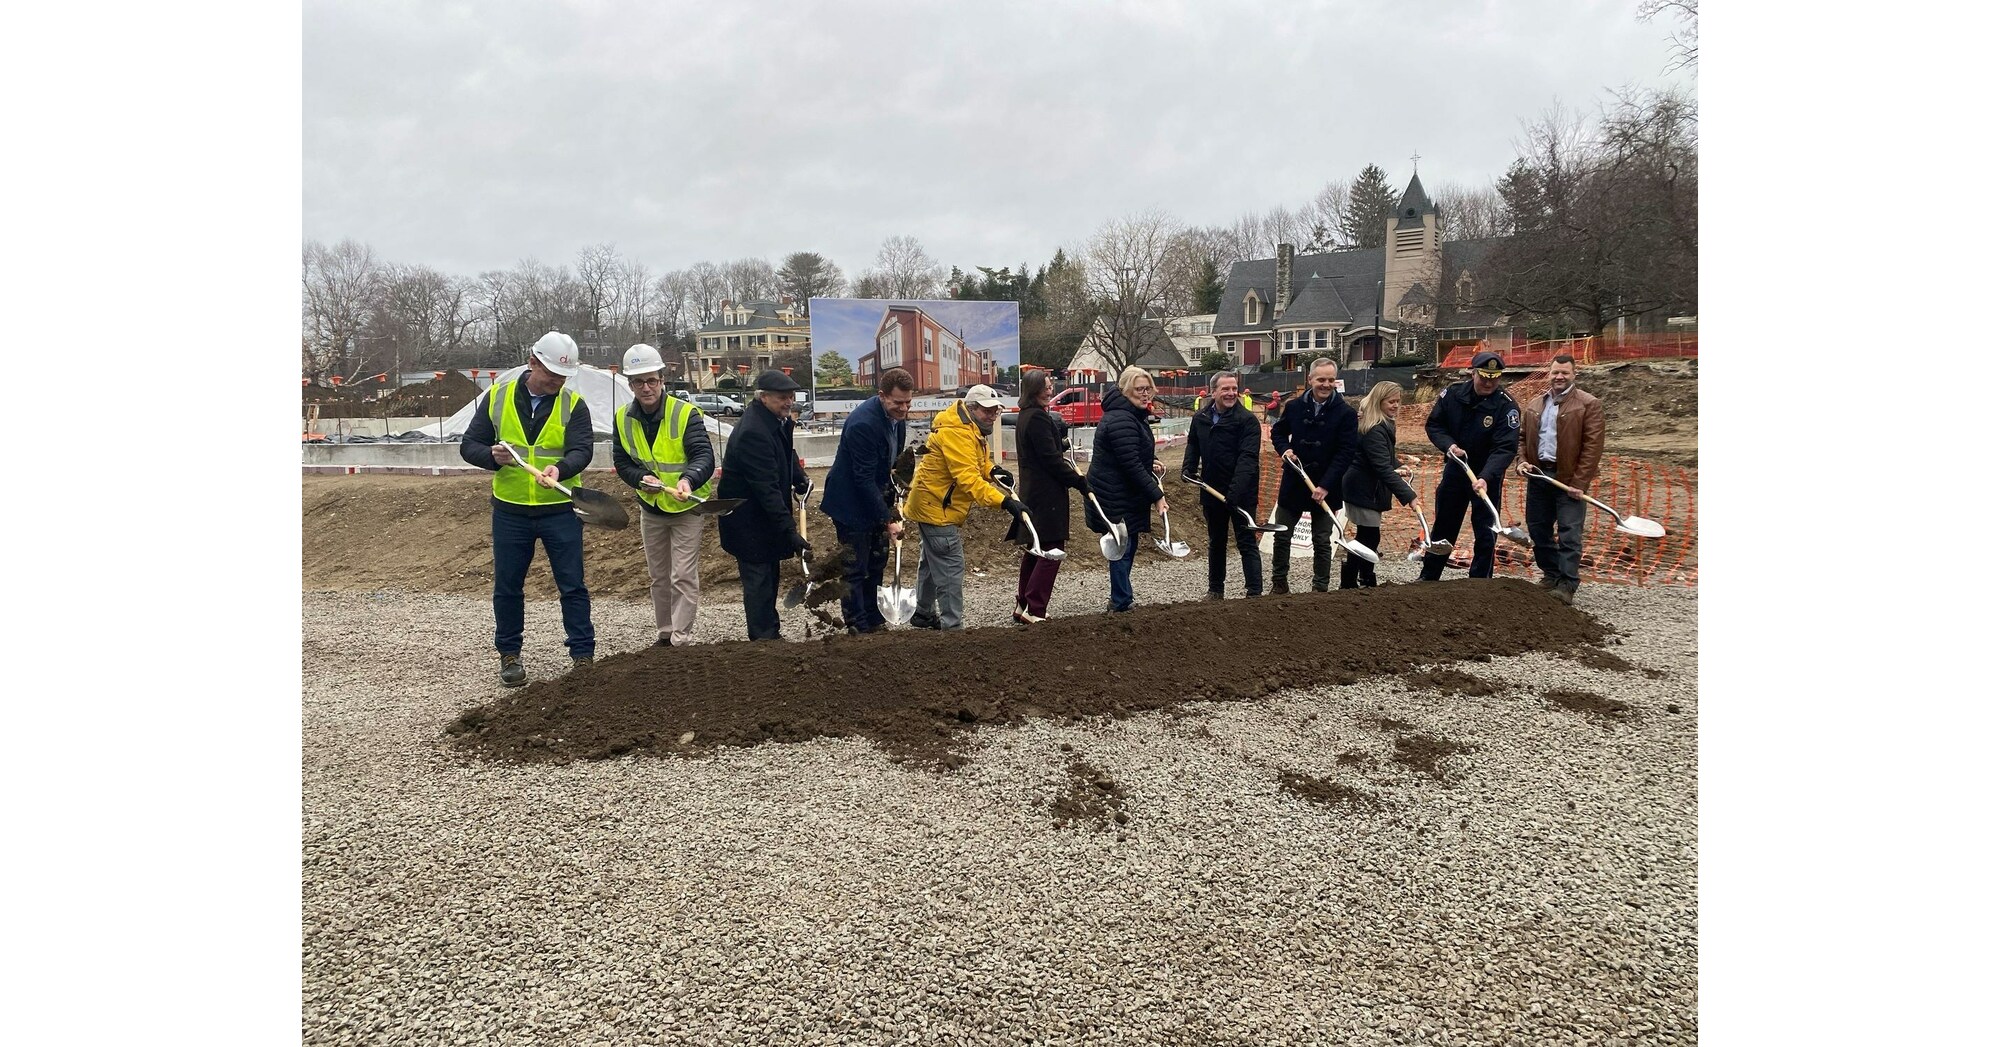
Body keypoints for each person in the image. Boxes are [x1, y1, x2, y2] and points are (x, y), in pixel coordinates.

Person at [458, 331, 596, 687]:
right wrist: (491, 456)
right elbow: (469, 445)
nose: (557, 382)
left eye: (563, 377)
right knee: (508, 586)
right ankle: (509, 654)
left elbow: (582, 450)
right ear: (532, 363)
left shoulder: (572, 404)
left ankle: (583, 656)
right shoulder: (498, 398)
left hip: (560, 510)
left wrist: (561, 470)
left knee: (572, 585)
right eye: (551, 375)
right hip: (510, 511)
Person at [610, 344, 716, 647]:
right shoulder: (622, 419)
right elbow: (622, 461)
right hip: (652, 508)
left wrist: (688, 479)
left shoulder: (685, 414)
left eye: (652, 380)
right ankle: (665, 632)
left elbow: (703, 457)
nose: (646, 388)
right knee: (658, 576)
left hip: (686, 509)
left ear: (662, 380)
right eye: (639, 382)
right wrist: (639, 479)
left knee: (682, 575)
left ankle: (681, 639)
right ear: (630, 384)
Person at [902, 384, 1026, 630]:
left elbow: (977, 463)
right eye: (987, 411)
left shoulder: (969, 427)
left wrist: (993, 471)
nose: (992, 415)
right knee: (950, 565)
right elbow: (967, 478)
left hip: (930, 503)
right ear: (971, 408)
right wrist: (1005, 501)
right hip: (937, 508)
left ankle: (923, 613)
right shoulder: (956, 433)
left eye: (995, 411)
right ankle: (953, 627)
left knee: (930, 560)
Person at [716, 369, 812, 640]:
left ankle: (771, 635)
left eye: (791, 396)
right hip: (749, 523)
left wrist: (799, 477)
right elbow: (766, 490)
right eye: (783, 397)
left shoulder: (774, 421)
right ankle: (763, 641)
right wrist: (790, 530)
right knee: (759, 583)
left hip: (762, 521)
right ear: (764, 397)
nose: (788, 402)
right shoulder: (753, 432)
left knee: (769, 578)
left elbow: (785, 452)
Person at [819, 367, 914, 633]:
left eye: (908, 402)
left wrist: (894, 499)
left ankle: (874, 617)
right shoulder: (864, 424)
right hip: (850, 503)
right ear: (882, 396)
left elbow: (890, 466)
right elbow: (862, 479)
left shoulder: (898, 418)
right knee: (855, 567)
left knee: (876, 563)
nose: (904, 408)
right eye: (898, 403)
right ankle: (857, 624)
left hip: (875, 497)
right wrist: (888, 519)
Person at [1418, 350, 1521, 581]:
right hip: (1456, 469)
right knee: (1444, 525)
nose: (1488, 382)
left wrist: (1486, 476)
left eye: (1494, 378)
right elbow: (1435, 425)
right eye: (1484, 376)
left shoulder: (1507, 407)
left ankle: (1480, 582)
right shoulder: (1453, 394)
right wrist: (1449, 446)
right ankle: (1429, 575)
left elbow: (1505, 448)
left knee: (1486, 530)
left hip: (1486, 476)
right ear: (1473, 373)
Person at [1516, 353, 1605, 605]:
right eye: (1555, 372)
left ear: (1574, 374)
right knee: (1538, 529)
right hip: (1539, 476)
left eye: (1565, 372)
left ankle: (1567, 584)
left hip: (1568, 479)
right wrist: (1521, 460)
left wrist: (1579, 482)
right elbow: (1522, 438)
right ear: (1549, 374)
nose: (1559, 376)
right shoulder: (1535, 405)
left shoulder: (1588, 404)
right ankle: (1551, 574)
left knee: (1569, 533)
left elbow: (1592, 448)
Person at [1269, 357, 1360, 594]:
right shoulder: (1294, 407)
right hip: (1294, 481)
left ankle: (1320, 588)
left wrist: (1326, 485)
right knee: (1281, 535)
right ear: (1310, 380)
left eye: (1331, 380)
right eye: (1321, 379)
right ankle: (1279, 584)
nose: (1326, 384)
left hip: (1326, 485)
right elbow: (1278, 432)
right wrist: (1284, 449)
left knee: (1321, 540)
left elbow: (1346, 452)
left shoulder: (1346, 414)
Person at [1005, 370, 1090, 623]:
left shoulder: (1025, 417)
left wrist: (1058, 444)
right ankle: (1035, 608)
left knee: (1035, 549)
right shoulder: (1039, 419)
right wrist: (1079, 482)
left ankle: (1023, 604)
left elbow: (1042, 450)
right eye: (1046, 387)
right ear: (1034, 390)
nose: (1051, 390)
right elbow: (1051, 462)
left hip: (1033, 491)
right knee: (1052, 549)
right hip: (1047, 495)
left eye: (1051, 386)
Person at [1087, 366, 1167, 613]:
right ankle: (1121, 602)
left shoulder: (1130, 414)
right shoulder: (1122, 417)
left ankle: (1120, 598)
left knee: (1126, 544)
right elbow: (1129, 463)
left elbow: (1130, 453)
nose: (1145, 395)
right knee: (1122, 546)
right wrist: (1157, 495)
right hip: (1114, 494)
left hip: (1123, 491)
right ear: (1125, 390)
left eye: (1148, 389)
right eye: (1139, 389)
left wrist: (1149, 460)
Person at [1182, 371, 1263, 599]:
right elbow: (1193, 444)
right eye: (1225, 389)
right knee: (1216, 542)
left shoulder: (1247, 420)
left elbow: (1248, 459)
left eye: (1234, 389)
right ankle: (1215, 590)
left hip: (1242, 493)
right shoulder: (1201, 418)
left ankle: (1254, 591)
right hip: (1211, 490)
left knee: (1246, 541)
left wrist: (1235, 493)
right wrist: (1188, 468)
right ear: (1213, 391)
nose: (1231, 393)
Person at [1340, 381, 1419, 588]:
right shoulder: (1375, 429)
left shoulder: (1383, 423)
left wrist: (1399, 465)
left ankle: (1359, 577)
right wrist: (1408, 495)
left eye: (1398, 402)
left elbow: (1384, 458)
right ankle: (1355, 579)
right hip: (1363, 489)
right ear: (1379, 401)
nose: (1395, 406)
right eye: (1391, 401)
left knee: (1367, 536)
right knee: (1369, 536)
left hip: (1367, 488)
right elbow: (1382, 468)